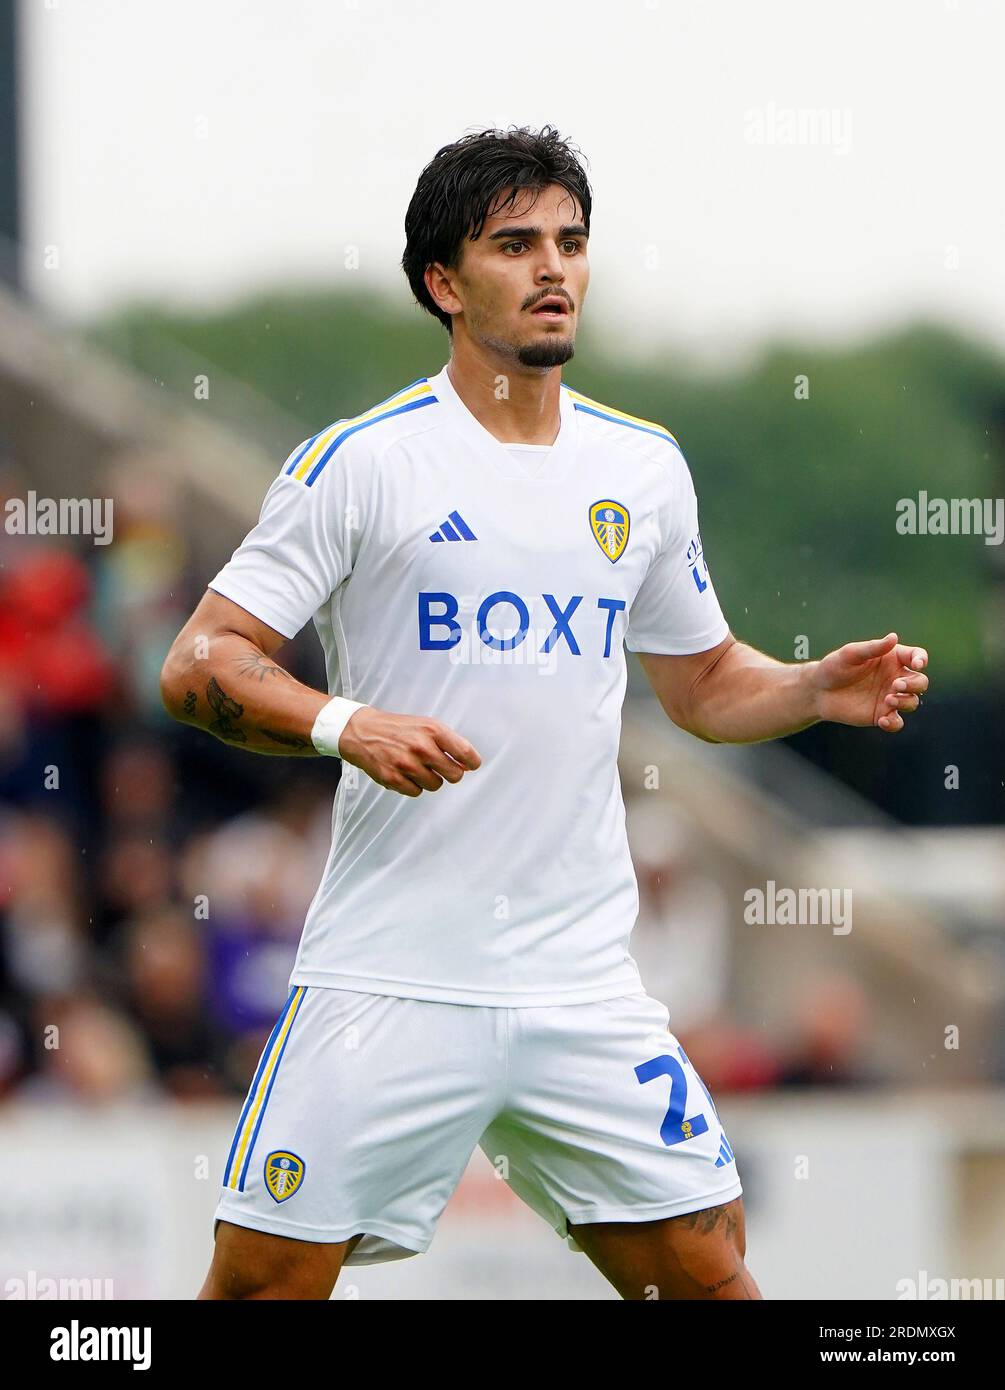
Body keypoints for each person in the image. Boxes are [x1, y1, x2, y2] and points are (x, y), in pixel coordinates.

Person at [160, 126, 929, 1300]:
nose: (553, 267)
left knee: (708, 1270)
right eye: (515, 245)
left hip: (581, 981)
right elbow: (201, 661)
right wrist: (344, 722)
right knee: (263, 1282)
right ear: (443, 281)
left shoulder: (644, 469)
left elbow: (704, 683)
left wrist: (813, 686)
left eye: (570, 242)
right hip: (393, 973)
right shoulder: (364, 463)